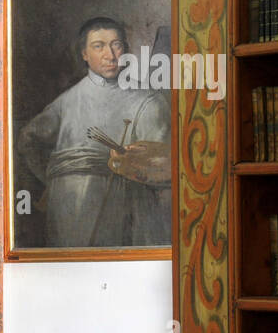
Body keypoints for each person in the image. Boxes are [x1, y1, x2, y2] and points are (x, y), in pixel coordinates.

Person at [17, 16, 171, 247]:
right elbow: (27, 140)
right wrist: (53, 177)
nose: (110, 55)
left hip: (125, 207)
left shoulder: (149, 100)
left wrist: (133, 163)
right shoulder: (67, 101)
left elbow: (165, 166)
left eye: (116, 45)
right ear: (84, 54)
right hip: (67, 210)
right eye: (98, 46)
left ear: (126, 49)